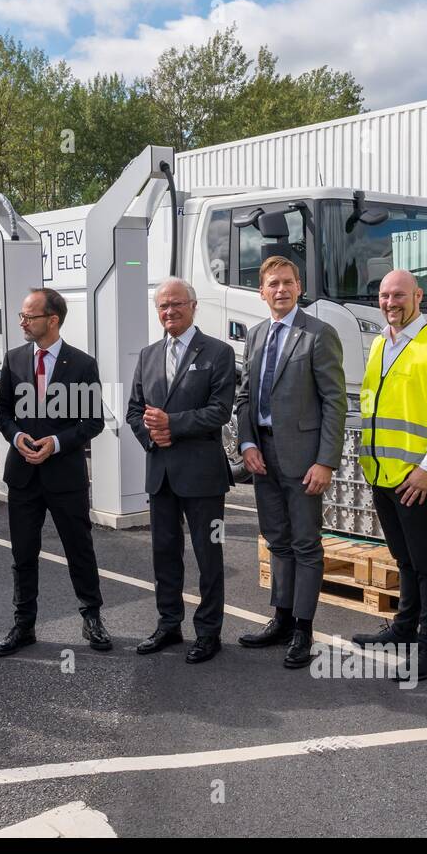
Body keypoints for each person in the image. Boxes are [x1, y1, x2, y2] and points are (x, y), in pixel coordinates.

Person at [234, 256, 346, 669]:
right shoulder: (256, 335)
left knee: (305, 545)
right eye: (272, 284)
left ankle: (303, 628)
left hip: (303, 459)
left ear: (299, 287)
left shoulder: (319, 334)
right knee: (277, 541)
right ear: (262, 292)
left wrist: (326, 462)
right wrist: (246, 443)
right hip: (262, 454)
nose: (280, 289)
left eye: (287, 282)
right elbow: (245, 396)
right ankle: (280, 619)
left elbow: (335, 401)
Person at [350, 269, 427, 680]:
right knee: (405, 559)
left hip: (416, 478)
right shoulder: (380, 342)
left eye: (398, 295)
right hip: (383, 474)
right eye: (384, 295)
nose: (390, 302)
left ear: (417, 296)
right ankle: (405, 627)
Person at [0, 288, 110, 656]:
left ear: (52, 320)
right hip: (23, 475)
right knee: (23, 554)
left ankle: (92, 618)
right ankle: (23, 625)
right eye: (22, 316)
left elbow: (92, 422)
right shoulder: (13, 359)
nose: (22, 322)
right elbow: (3, 412)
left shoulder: (82, 364)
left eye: (29, 316)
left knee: (80, 550)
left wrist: (55, 444)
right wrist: (18, 436)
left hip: (65, 476)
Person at [126, 278, 235, 664]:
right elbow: (134, 411)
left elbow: (220, 411)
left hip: (202, 475)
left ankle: (208, 632)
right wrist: (155, 437)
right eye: (162, 306)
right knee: (164, 553)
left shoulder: (218, 353)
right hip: (161, 472)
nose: (168, 311)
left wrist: (171, 424)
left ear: (192, 306)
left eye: (175, 304)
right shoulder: (148, 354)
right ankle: (169, 623)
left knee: (208, 555)